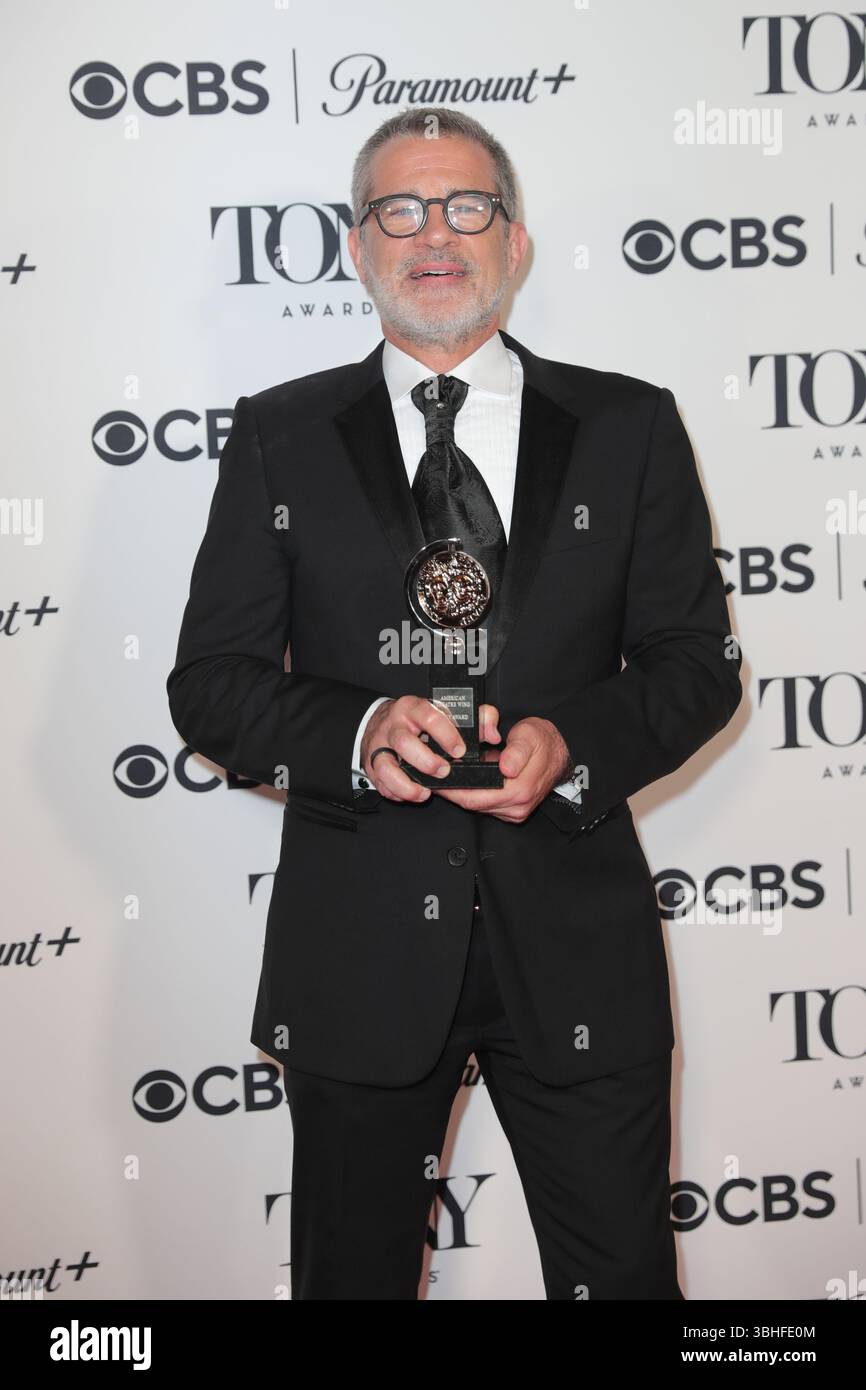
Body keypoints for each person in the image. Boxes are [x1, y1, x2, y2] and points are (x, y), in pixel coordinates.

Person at [166, 107, 742, 1300]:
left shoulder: (627, 426)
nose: (436, 234)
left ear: (515, 242)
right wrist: (356, 732)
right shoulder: (279, 437)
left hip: (578, 947)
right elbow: (210, 685)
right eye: (400, 209)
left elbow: (695, 663)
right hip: (358, 951)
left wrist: (571, 740)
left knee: (626, 1283)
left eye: (466, 205)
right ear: (355, 244)